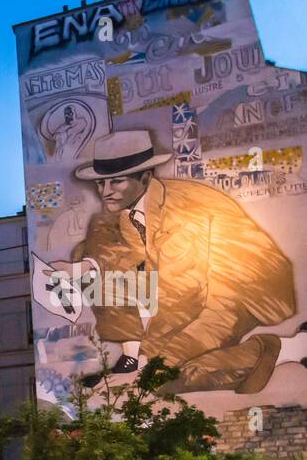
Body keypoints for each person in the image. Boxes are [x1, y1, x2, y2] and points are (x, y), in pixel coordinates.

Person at [51, 129, 300, 393]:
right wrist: (84, 267)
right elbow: (112, 254)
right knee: (88, 259)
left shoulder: (184, 216)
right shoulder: (118, 213)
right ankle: (132, 358)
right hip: (187, 288)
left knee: (163, 380)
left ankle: (274, 349)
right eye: (101, 184)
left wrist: (150, 367)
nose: (105, 192)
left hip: (244, 289)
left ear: (145, 177)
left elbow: (203, 304)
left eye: (116, 182)